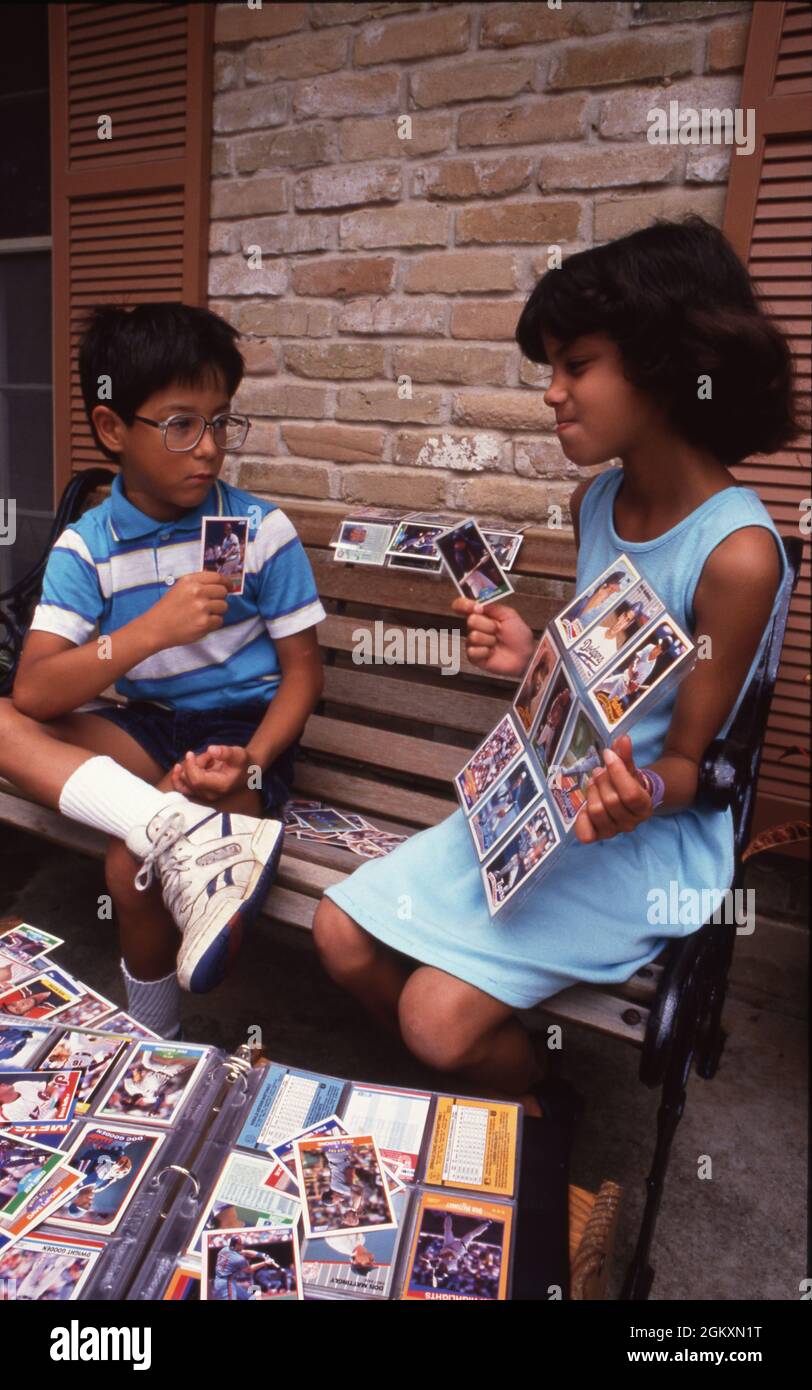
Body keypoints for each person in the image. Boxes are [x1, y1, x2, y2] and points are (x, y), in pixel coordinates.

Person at [312, 215, 798, 1115]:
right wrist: (530, 657)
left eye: (576, 365)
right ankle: (502, 1070)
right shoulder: (595, 501)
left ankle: (536, 1096)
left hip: (643, 839)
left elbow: (689, 768)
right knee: (337, 932)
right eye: (551, 367)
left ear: (665, 362)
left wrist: (637, 793)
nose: (552, 394)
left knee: (432, 1022)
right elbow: (604, 675)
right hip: (542, 801)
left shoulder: (737, 555)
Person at [0, 303, 325, 1037]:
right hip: (148, 729)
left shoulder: (257, 530)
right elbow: (35, 692)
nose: (208, 448)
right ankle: (165, 820)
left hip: (241, 735)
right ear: (113, 428)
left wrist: (253, 762)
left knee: (131, 868)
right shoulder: (89, 546)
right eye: (181, 424)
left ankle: (155, 1037)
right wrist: (150, 632)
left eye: (221, 421)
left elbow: (305, 675)